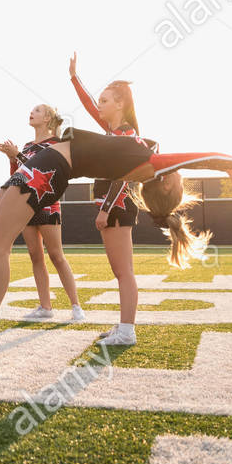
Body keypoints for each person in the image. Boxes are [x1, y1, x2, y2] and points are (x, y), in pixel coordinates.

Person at [0, 119, 232, 373]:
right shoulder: (140, 153)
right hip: (40, 161)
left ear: (165, 180)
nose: (181, 174)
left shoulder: (152, 164)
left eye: (179, 179)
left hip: (51, 169)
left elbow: (199, 158)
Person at [68, 55, 145, 345]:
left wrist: (105, 209)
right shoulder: (112, 133)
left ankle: (127, 331)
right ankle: (124, 325)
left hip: (118, 208)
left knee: (124, 272)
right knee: (120, 271)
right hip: (112, 208)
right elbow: (88, 104)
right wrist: (74, 77)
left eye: (105, 100)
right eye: (99, 100)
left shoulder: (127, 134)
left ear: (120, 105)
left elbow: (123, 177)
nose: (98, 105)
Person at [0, 103, 84, 323]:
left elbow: (45, 173)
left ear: (47, 118)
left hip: (47, 204)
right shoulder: (27, 146)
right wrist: (12, 158)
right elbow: (19, 175)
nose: (31, 112)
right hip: (27, 205)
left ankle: (76, 306)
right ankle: (45, 306)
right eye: (31, 110)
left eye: (37, 110)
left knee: (56, 255)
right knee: (35, 256)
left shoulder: (56, 144)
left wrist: (17, 154)